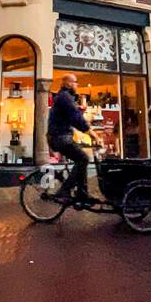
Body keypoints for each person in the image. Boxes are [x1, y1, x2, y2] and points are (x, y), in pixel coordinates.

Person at [47, 73, 92, 204]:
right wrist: (89, 131)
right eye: (75, 82)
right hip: (61, 137)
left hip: (59, 136)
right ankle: (64, 191)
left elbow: (72, 115)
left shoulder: (64, 97)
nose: (77, 85)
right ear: (68, 83)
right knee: (83, 159)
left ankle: (82, 194)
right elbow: (75, 117)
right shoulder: (65, 97)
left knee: (81, 160)